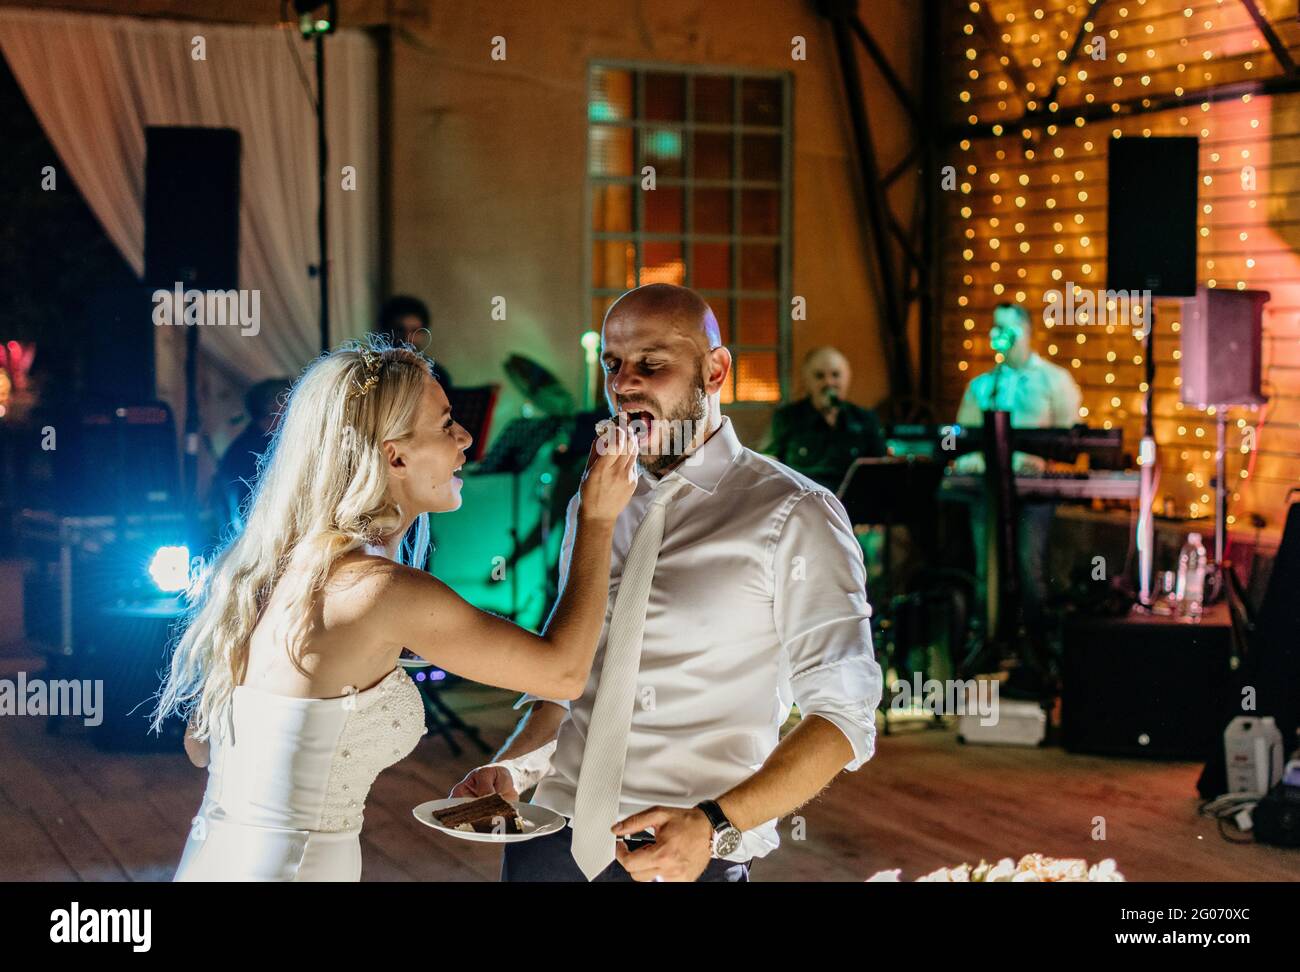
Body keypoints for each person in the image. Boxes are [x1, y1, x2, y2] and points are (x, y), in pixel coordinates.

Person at [157, 335, 639, 881]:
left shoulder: (268, 574)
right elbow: (565, 671)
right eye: (446, 423)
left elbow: (200, 745)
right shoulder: (382, 589)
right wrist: (598, 521)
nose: (465, 438)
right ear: (395, 454)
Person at [452, 283, 882, 883]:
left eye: (651, 364)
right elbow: (571, 675)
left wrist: (715, 823)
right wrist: (515, 767)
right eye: (613, 365)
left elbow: (844, 717)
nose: (624, 383)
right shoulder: (597, 498)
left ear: (715, 371)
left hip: (681, 854)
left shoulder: (795, 513)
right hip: (546, 841)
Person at [951, 301, 1082, 675]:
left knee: (1029, 569)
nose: (1002, 337)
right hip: (989, 494)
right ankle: (989, 648)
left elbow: (1069, 440)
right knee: (986, 572)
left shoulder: (1054, 381)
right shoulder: (983, 386)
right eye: (996, 329)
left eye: (1009, 329)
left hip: (1033, 495)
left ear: (1027, 332)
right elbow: (961, 441)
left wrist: (1040, 461)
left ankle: (1037, 656)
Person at [764, 346, 886, 491]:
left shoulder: (865, 419)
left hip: (851, 508)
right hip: (804, 507)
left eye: (835, 375)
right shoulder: (786, 417)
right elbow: (768, 460)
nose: (828, 382)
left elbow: (881, 469)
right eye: (819, 376)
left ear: (847, 377)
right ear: (807, 381)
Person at [212, 377, 292, 533]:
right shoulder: (249, 452)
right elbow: (244, 514)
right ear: (274, 405)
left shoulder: (258, 445)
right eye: (290, 398)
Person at [375, 295, 453, 387]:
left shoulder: (438, 375)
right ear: (386, 330)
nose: (407, 338)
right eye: (400, 330)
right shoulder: (374, 371)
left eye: (415, 331)